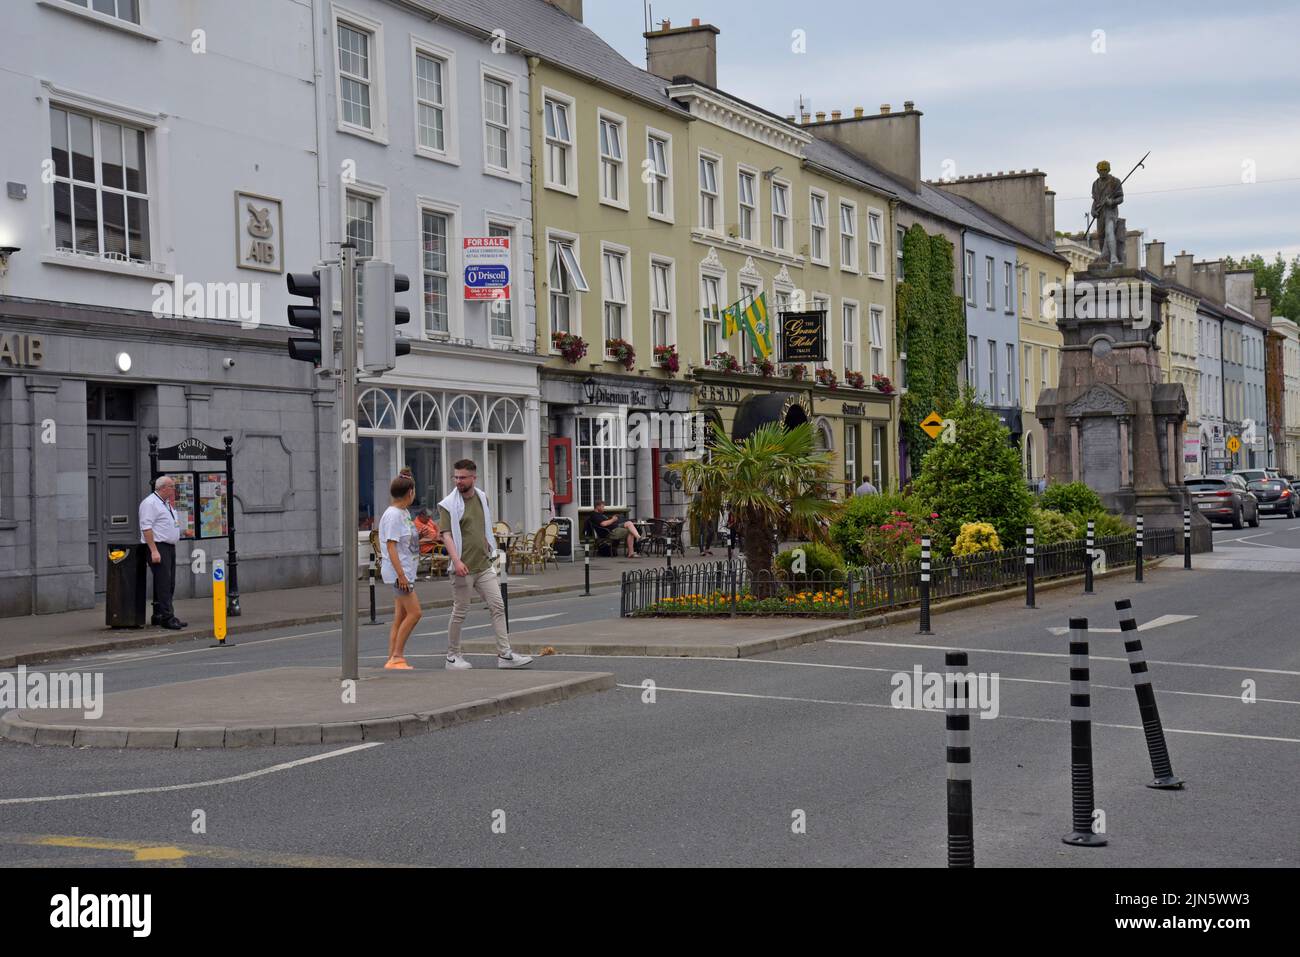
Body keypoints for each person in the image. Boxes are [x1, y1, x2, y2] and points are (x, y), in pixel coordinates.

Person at [438, 459, 532, 670]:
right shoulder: (448, 504)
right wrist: (456, 560)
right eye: (456, 477)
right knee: (460, 611)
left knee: (498, 606)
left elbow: (484, 525)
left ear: (474, 478)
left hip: (483, 565)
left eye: (462, 477)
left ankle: (505, 655)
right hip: (462, 567)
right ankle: (452, 656)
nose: (458, 481)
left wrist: (488, 544)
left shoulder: (482, 498)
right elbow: (446, 535)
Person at [378, 475, 421, 670]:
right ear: (410, 492)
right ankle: (397, 656)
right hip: (399, 573)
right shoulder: (393, 515)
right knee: (415, 613)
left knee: (400, 617)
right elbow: (391, 547)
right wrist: (401, 576)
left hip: (405, 571)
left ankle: (392, 658)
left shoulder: (403, 513)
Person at [139, 475, 186, 629]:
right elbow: (146, 528)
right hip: (158, 547)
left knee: (169, 582)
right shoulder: (150, 503)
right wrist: (153, 550)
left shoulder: (165, 503)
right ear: (163, 488)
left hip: (169, 547)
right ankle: (167, 617)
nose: (174, 490)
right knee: (164, 583)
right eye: (172, 487)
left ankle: (163, 614)